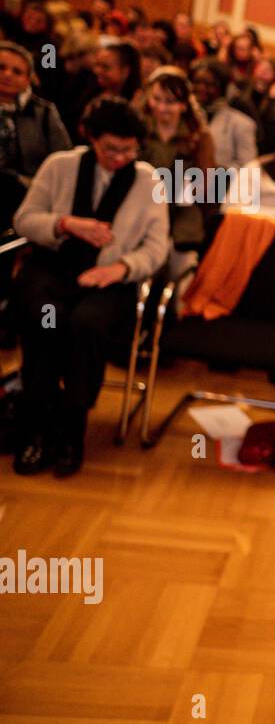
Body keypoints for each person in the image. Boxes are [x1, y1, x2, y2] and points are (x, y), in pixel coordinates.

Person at [11, 96, 168, 476]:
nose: (120, 158)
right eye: (112, 149)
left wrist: (121, 267)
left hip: (110, 278)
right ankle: (36, 424)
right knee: (45, 319)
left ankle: (71, 428)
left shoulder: (149, 179)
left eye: (129, 150)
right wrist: (65, 224)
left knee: (87, 324)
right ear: (91, 138)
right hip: (53, 269)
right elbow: (24, 220)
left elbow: (157, 247)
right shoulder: (60, 166)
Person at [139, 66, 215, 251]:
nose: (162, 107)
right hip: (141, 203)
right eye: (156, 99)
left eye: (170, 102)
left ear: (184, 104)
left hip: (183, 207)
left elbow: (207, 184)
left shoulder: (198, 135)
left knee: (184, 257)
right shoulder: (139, 129)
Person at [0, 41, 72, 215]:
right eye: (1, 67)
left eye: (17, 72)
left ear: (27, 80)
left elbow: (64, 161)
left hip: (28, 196)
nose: (7, 75)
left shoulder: (44, 113)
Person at [190, 59, 258, 173]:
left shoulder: (241, 123)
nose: (201, 88)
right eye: (196, 82)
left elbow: (248, 167)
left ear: (222, 88)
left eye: (209, 84)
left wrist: (215, 171)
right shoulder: (181, 114)